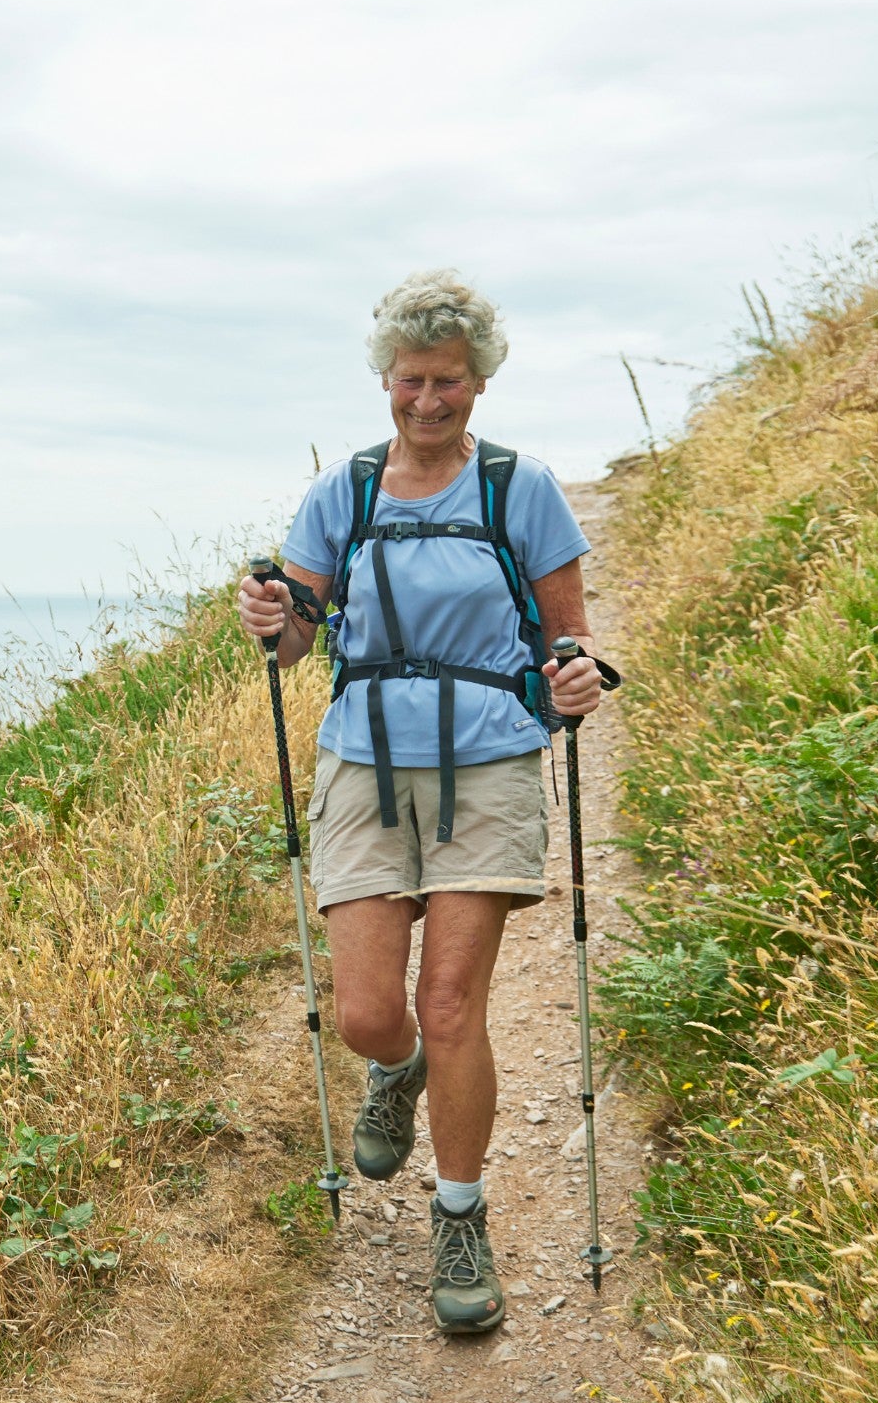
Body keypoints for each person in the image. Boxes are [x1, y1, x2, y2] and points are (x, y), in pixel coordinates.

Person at [237, 269, 607, 1334]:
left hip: (487, 761)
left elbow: (566, 639)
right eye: (411, 381)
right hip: (364, 757)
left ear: (479, 381)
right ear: (386, 380)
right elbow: (298, 635)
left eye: (448, 381)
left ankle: (459, 1217)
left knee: (451, 1004)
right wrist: (271, 613)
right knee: (367, 1014)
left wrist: (575, 679)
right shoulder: (341, 493)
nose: (429, 401)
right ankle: (391, 1073)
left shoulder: (516, 487)